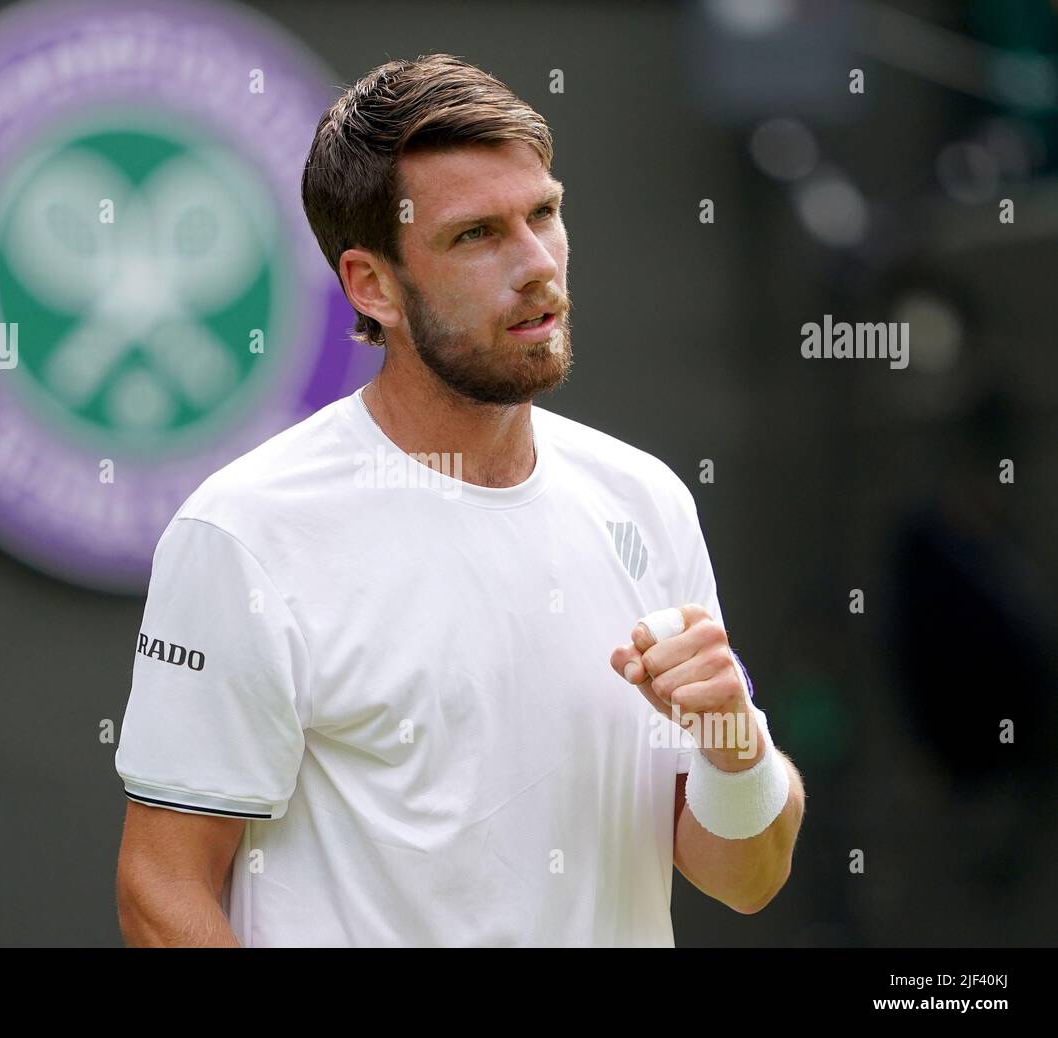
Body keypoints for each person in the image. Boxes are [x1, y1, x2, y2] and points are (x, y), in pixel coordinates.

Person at [114, 53, 804, 947]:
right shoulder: (246, 531)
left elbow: (745, 879)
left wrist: (734, 743)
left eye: (544, 215)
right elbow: (162, 896)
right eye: (476, 234)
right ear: (372, 286)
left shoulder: (647, 500)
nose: (535, 266)